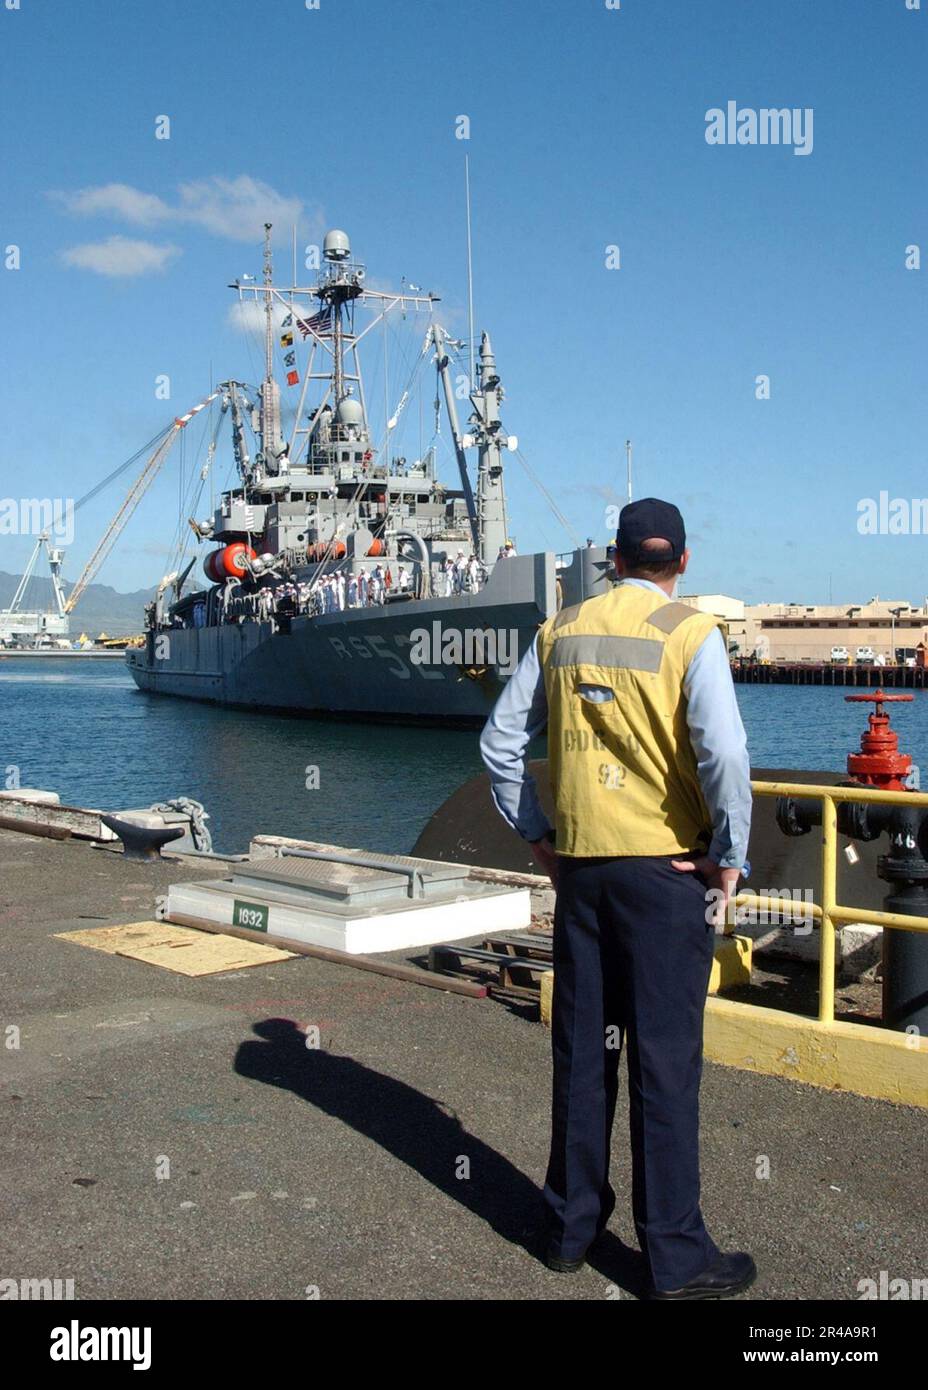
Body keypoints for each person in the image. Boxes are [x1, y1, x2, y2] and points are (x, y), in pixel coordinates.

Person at [480, 497, 754, 1301]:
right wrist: (729, 859)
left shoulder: (558, 631)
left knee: (583, 1053)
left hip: (585, 877)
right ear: (683, 563)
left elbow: (499, 743)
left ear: (615, 558)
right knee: (665, 1065)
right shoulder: (691, 634)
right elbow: (725, 754)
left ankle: (568, 1228)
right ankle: (675, 1257)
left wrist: (538, 833)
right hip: (670, 880)